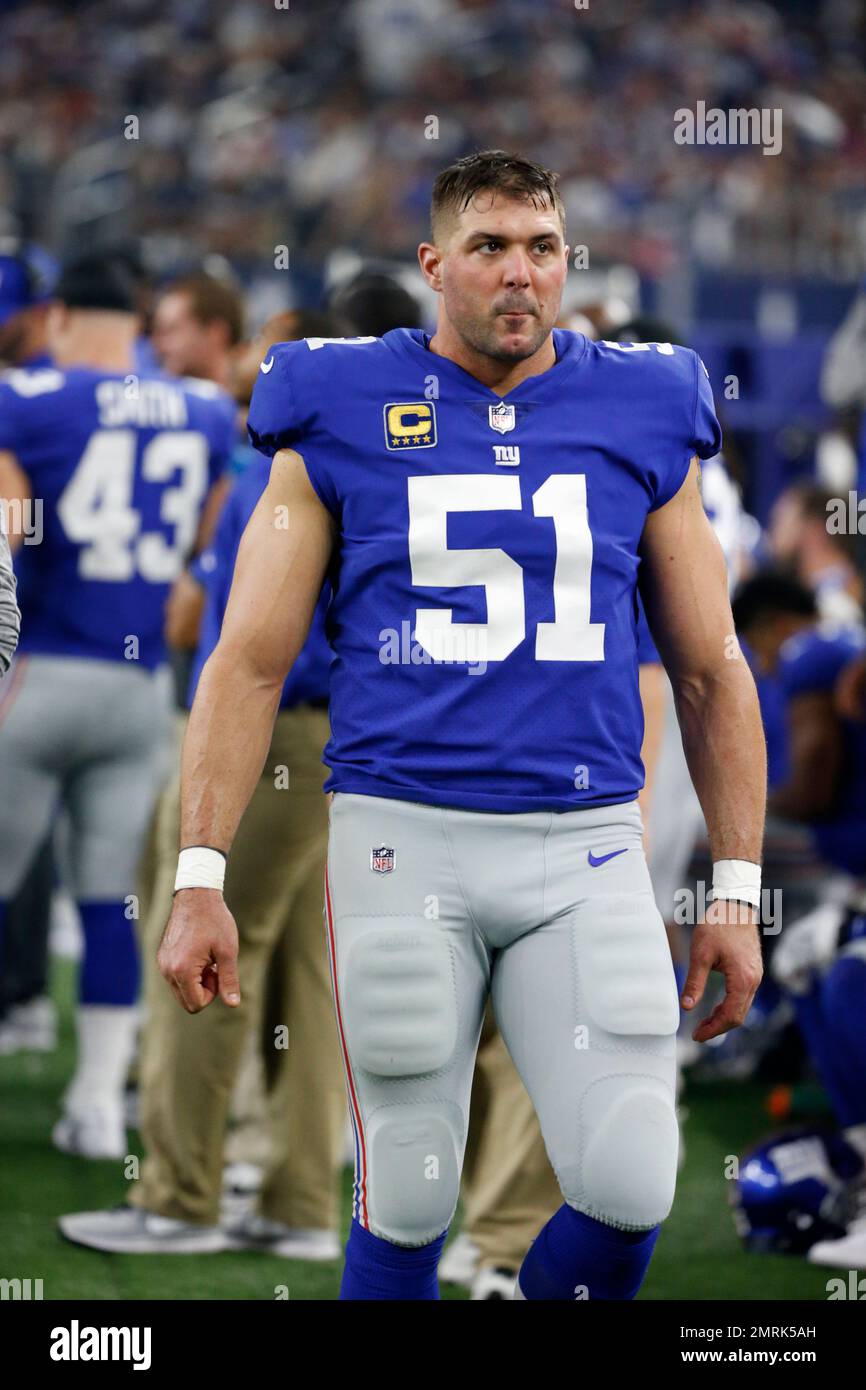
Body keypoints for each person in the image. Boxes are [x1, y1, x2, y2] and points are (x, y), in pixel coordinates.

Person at [158, 150, 766, 1302]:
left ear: (567, 259)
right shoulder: (333, 397)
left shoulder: (641, 398)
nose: (518, 274)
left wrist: (731, 889)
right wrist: (200, 876)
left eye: (541, 247)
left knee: (631, 1178)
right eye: (487, 247)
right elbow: (245, 662)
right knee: (410, 1188)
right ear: (435, 264)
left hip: (584, 835)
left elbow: (708, 667)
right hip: (402, 830)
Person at [0, 253, 235, 1156]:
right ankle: (98, 1104)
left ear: (57, 317)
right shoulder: (204, 409)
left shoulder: (24, 397)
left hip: (40, 672)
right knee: (111, 901)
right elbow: (214, 545)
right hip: (140, 691)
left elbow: (10, 533)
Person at [732, 571, 866, 1268]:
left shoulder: (814, 652)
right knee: (810, 965)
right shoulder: (839, 647)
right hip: (854, 882)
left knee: (844, 979)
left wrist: (736, 811)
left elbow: (813, 779)